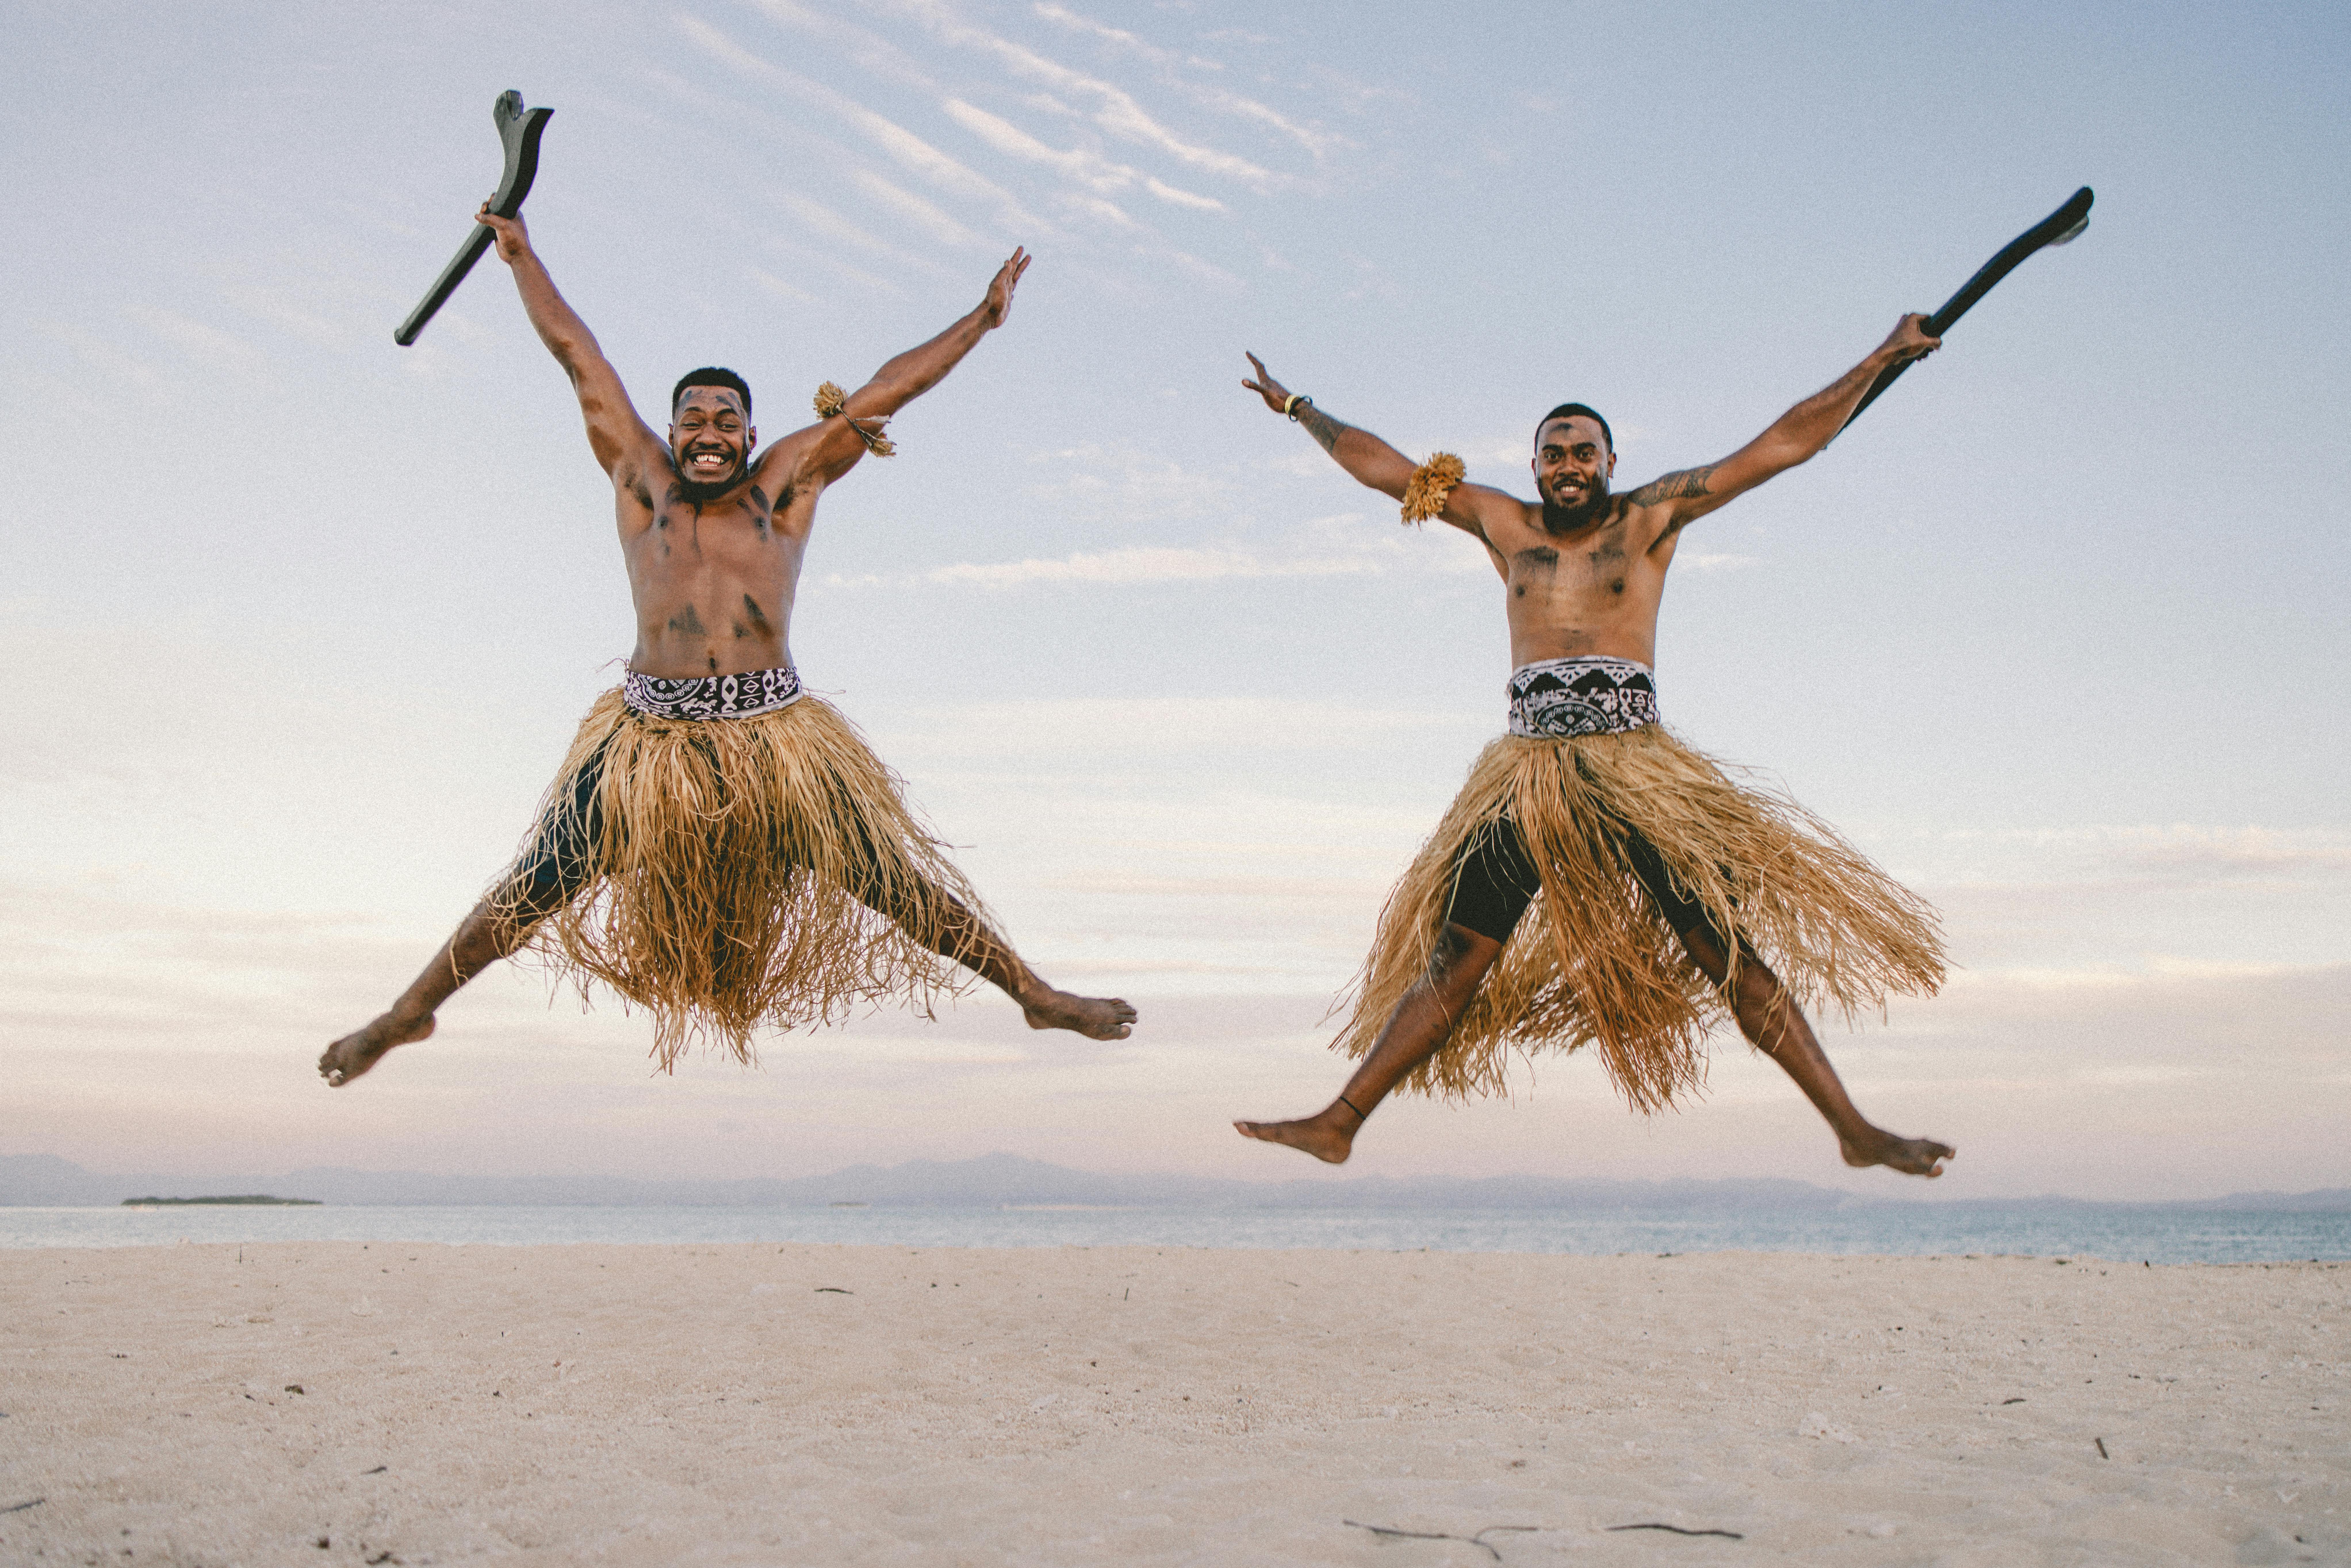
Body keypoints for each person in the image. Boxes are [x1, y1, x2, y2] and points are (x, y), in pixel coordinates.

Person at [321, 208, 1134, 1088]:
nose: (708, 433)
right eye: (693, 420)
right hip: (648, 744)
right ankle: (408, 1014)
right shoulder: (643, 484)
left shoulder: (787, 484)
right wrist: (520, 255)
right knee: (534, 884)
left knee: (894, 884)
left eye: (726, 421)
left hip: (775, 739)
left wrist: (982, 319)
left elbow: (889, 390)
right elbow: (577, 355)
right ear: (672, 435)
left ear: (750, 434)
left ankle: (1036, 995)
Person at [1232, 320, 1954, 1175]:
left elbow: (1783, 445)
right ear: (1536, 464)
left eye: (1585, 452)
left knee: (1723, 948)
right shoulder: (1502, 522)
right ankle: (1342, 1121)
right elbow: (1382, 466)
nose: (1569, 465)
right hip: (1527, 778)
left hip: (1637, 773)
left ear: (1610, 462)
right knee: (1457, 960)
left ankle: (1852, 1129)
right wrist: (1298, 409)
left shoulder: (1653, 515)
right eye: (1555, 453)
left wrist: (1881, 359)